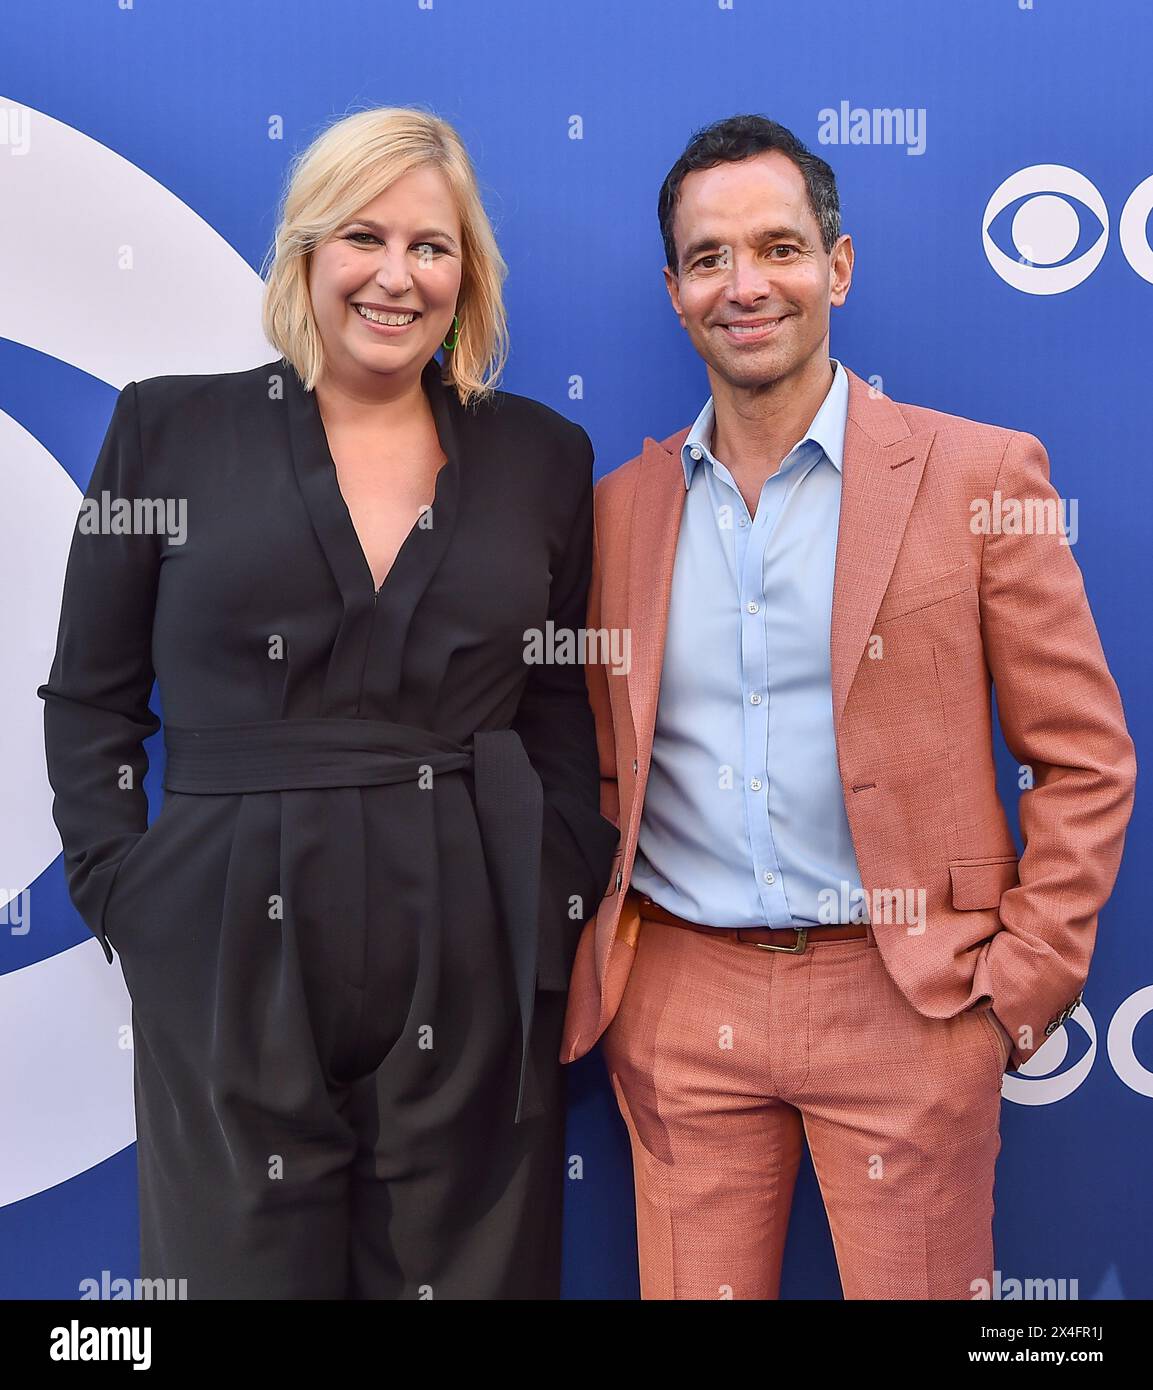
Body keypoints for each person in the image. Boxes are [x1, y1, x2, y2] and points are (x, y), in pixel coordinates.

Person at [38, 105, 618, 1300]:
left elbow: (560, 700)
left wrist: (552, 896)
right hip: (222, 934)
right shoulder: (166, 429)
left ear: (469, 276)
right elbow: (92, 694)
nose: (396, 276)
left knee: (469, 1272)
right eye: (364, 236)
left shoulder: (543, 457)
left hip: (472, 930)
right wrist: (129, 893)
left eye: (432, 245)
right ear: (306, 253)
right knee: (237, 1269)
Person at [561, 114, 1137, 1299]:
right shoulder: (617, 511)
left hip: (909, 1001)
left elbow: (1082, 759)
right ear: (673, 291)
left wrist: (1016, 987)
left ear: (839, 265)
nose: (745, 284)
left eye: (777, 246)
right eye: (710, 258)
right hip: (681, 1004)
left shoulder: (979, 474)